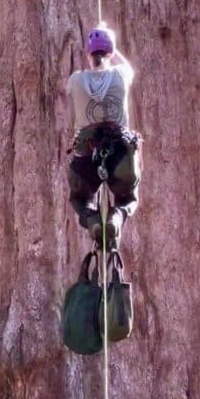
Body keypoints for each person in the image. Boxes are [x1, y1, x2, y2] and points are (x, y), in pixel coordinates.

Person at [67, 24, 141, 247]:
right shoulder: (121, 73)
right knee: (128, 198)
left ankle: (92, 221)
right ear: (109, 53)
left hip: (87, 152)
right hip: (120, 151)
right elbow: (128, 67)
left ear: (89, 54)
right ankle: (116, 217)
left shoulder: (75, 80)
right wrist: (114, 46)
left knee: (80, 198)